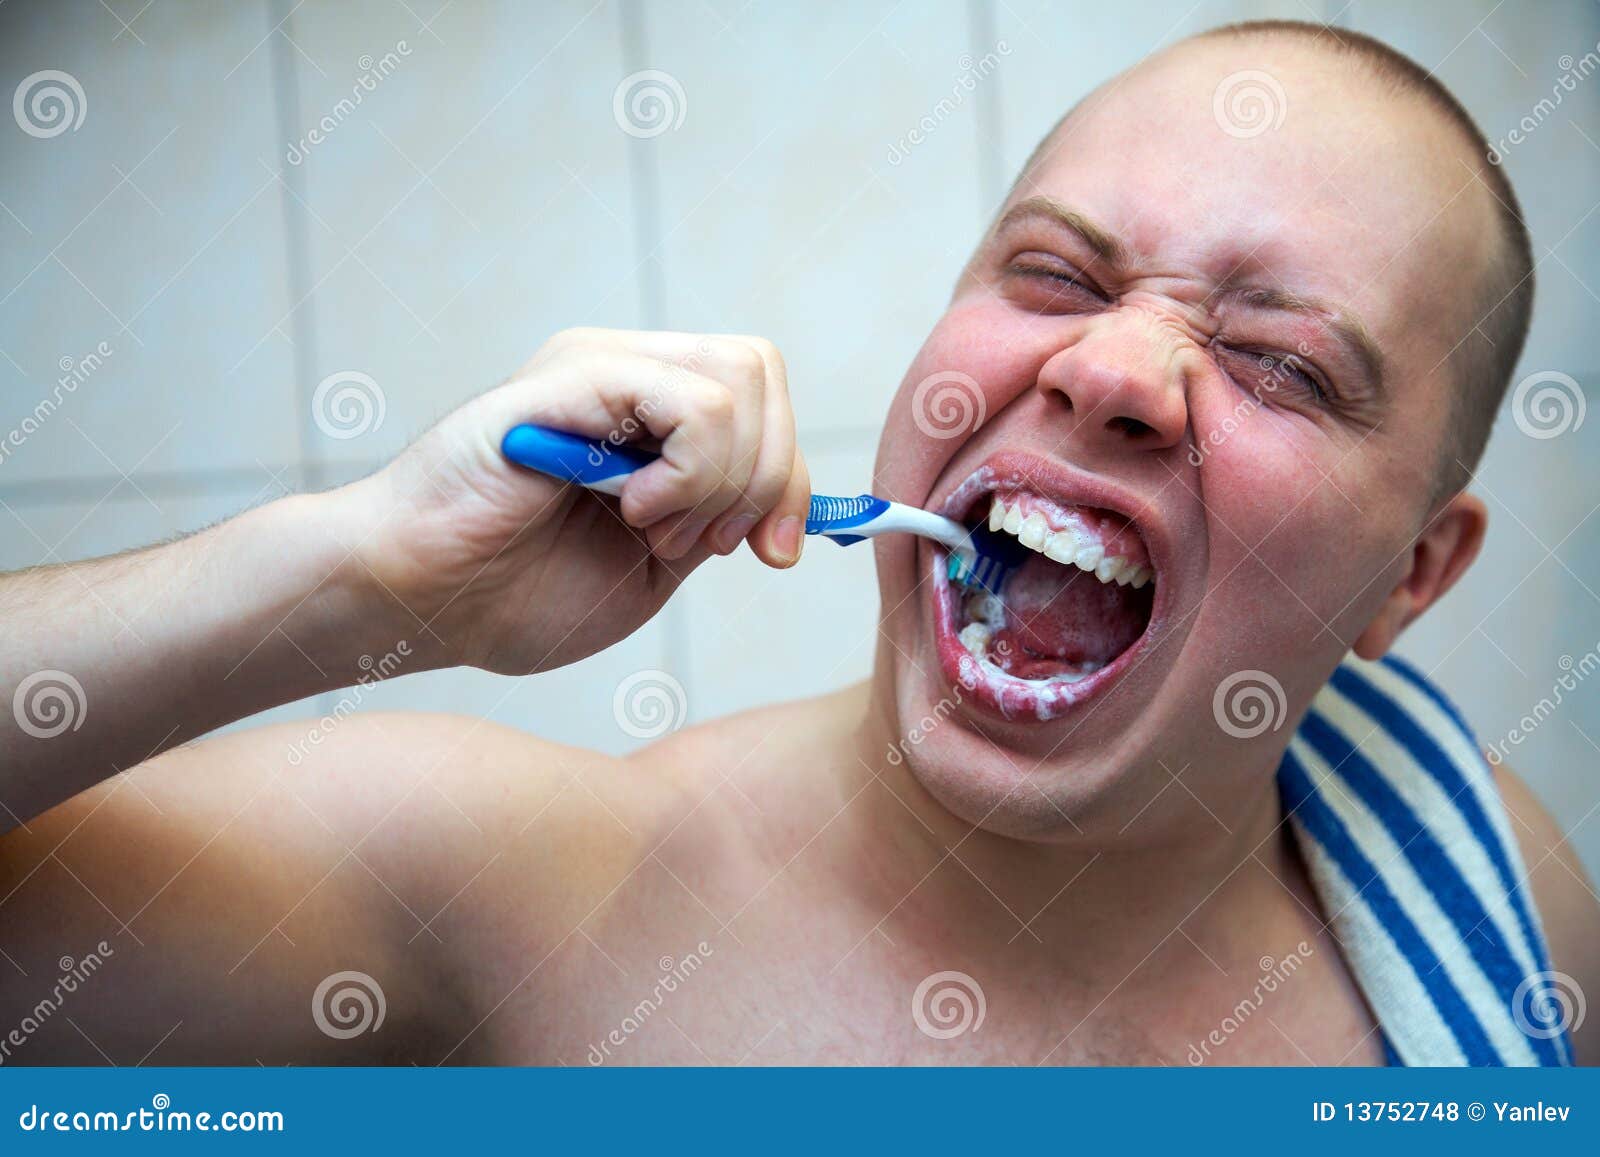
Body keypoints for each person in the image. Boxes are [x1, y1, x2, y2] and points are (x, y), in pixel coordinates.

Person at [2, 19, 1595, 1066]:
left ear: (1412, 577)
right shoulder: (507, 887)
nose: (1109, 368)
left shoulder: (1482, 880)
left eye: (1282, 364)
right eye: (1053, 273)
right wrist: (364, 574)